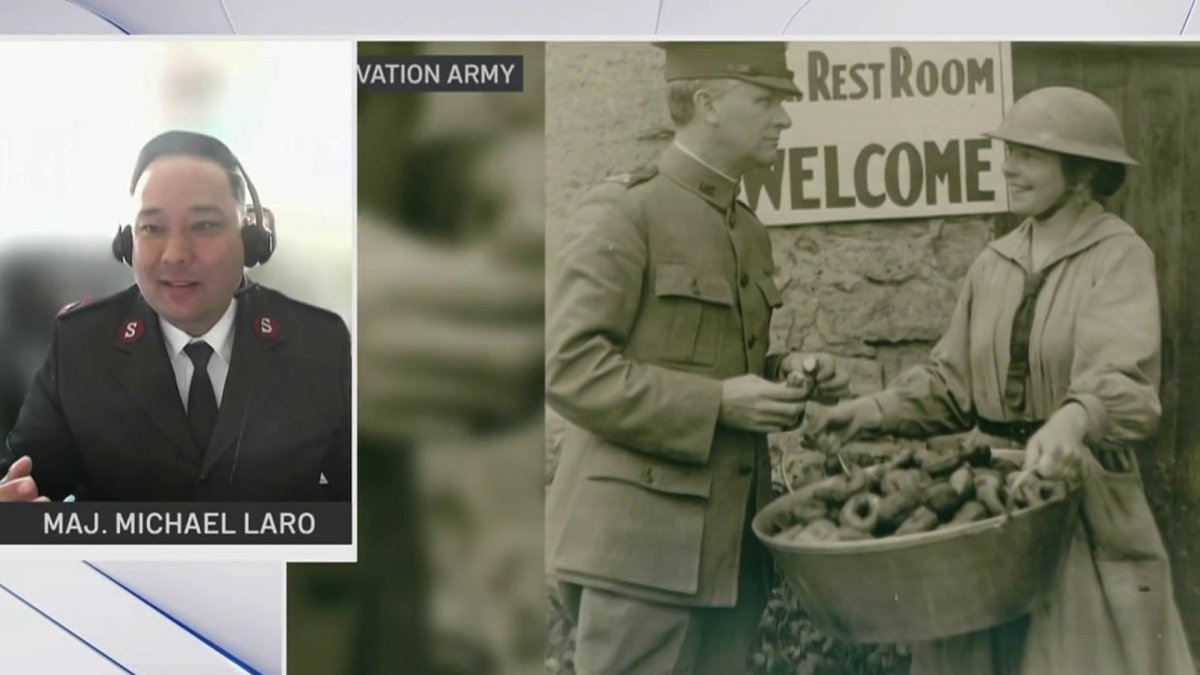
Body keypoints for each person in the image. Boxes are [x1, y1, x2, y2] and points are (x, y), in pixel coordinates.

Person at [807, 87, 1194, 674]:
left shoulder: (1117, 255)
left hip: (1073, 506)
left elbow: (1127, 384)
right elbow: (950, 382)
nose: (1010, 167)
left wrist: (1074, 418)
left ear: (1084, 171)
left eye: (1031, 155)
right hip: (980, 513)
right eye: (1009, 152)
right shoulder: (995, 262)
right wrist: (864, 412)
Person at [545, 43, 849, 675]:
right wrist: (718, 404)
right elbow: (568, 368)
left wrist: (785, 375)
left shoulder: (744, 226)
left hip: (727, 548)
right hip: (640, 552)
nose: (783, 120)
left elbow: (707, 360)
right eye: (765, 101)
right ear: (707, 104)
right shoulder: (626, 211)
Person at [1, 130, 351, 502]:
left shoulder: (318, 342)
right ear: (127, 242)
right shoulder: (81, 343)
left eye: (204, 226)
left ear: (251, 239)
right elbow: (24, 481)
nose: (175, 254)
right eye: (152, 228)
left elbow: (366, 502)